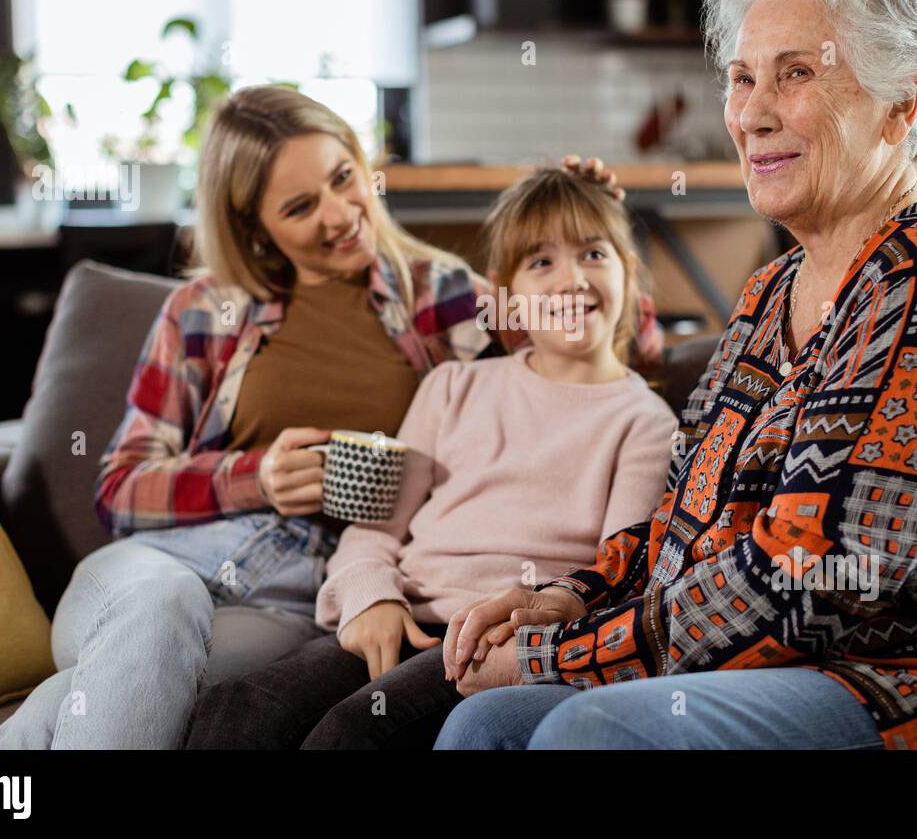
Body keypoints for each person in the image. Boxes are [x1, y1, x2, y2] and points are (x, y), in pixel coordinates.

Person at [436, 0, 917, 752]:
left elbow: (813, 584)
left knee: (587, 730)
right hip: (752, 665)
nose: (752, 113)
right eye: (741, 78)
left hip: (903, 677)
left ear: (901, 105)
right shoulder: (773, 291)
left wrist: (552, 658)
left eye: (796, 73)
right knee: (483, 723)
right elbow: (690, 522)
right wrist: (575, 597)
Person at [0, 86, 660, 749]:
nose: (340, 215)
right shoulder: (204, 309)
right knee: (160, 612)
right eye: (302, 206)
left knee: (180, 693)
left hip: (298, 587)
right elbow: (119, 487)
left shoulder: (435, 293)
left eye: (344, 179)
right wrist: (257, 478)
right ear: (254, 225)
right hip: (171, 560)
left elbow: (577, 331)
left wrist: (590, 215)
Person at [185, 167, 678, 749]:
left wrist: (529, 625)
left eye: (594, 253)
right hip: (402, 613)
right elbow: (374, 528)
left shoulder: (645, 424)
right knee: (238, 709)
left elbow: (613, 578)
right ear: (504, 296)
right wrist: (372, 596)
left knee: (348, 734)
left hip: (496, 639)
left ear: (627, 272)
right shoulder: (451, 386)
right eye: (541, 263)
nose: (572, 280)